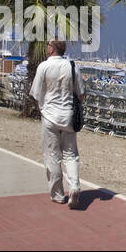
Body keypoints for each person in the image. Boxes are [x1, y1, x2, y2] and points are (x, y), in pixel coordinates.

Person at [30, 40, 84, 209]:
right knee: (70, 154)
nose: (46, 47)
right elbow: (81, 94)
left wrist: (44, 107)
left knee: (52, 155)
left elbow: (36, 93)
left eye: (48, 45)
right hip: (68, 117)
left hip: (50, 117)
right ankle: (74, 186)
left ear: (52, 48)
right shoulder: (73, 67)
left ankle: (58, 195)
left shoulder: (44, 67)